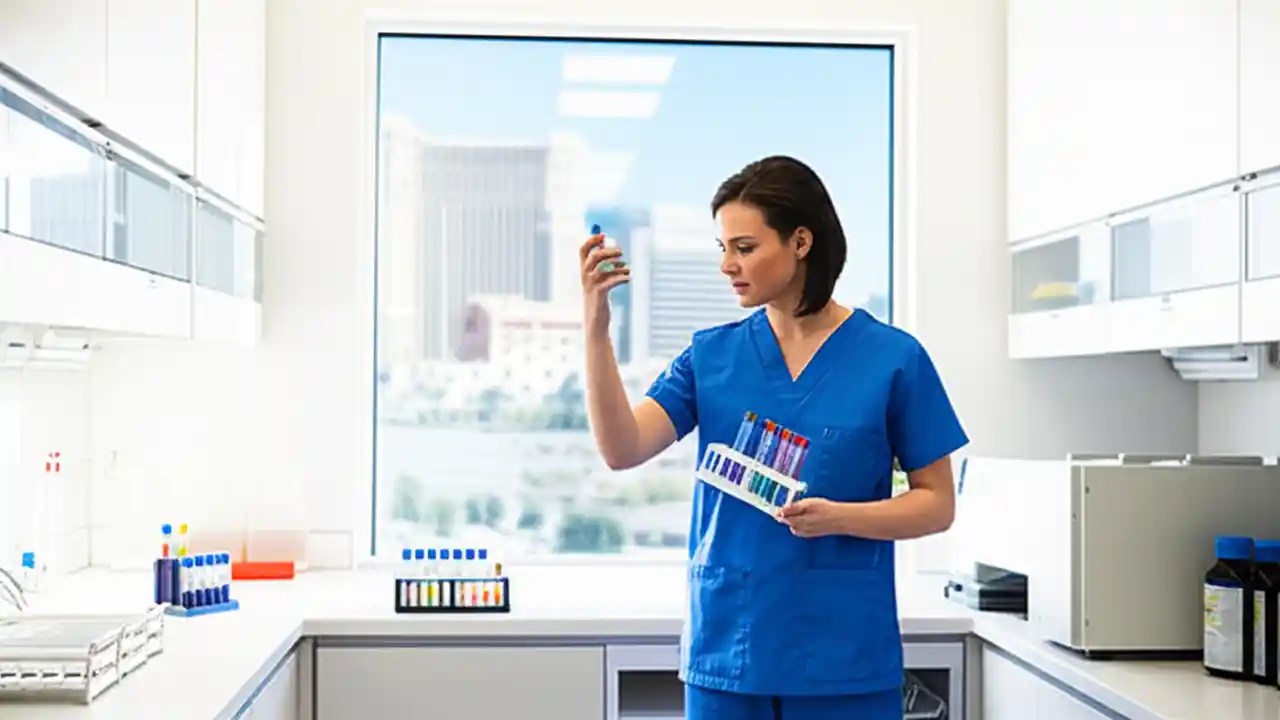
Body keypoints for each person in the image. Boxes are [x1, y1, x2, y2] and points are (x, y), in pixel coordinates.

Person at [579, 155, 968, 720]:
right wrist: (596, 326)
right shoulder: (710, 357)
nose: (727, 265)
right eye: (722, 249)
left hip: (845, 663)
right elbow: (622, 448)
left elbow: (937, 505)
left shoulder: (894, 359)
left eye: (744, 247)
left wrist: (839, 518)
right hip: (729, 656)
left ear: (801, 242)